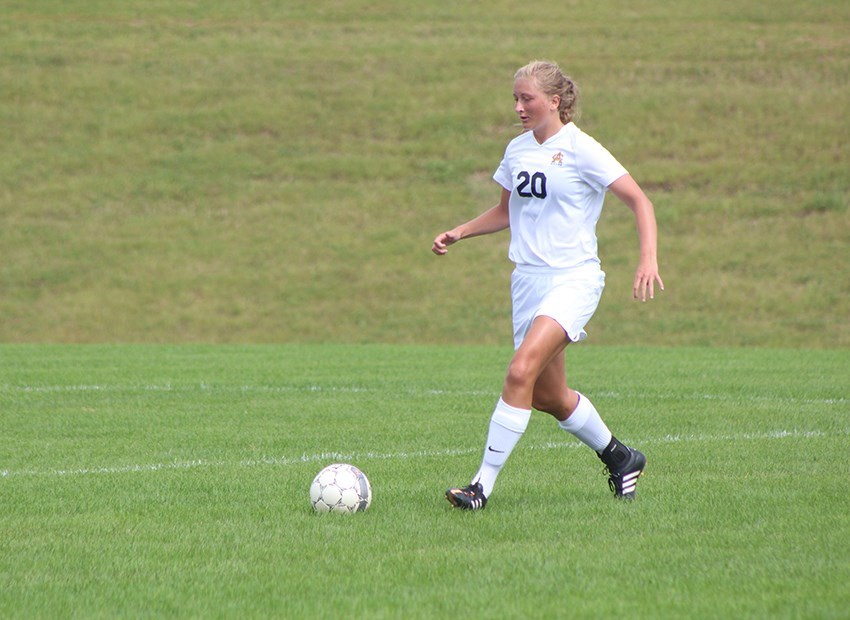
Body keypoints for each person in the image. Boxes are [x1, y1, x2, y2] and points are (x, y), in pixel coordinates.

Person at [432, 60, 664, 510]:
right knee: (548, 396)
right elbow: (507, 211)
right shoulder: (517, 149)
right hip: (527, 282)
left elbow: (640, 200)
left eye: (528, 99)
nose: (519, 107)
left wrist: (648, 258)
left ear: (555, 101)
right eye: (515, 99)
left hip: (573, 279)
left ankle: (480, 487)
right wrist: (460, 231)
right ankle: (622, 457)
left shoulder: (581, 148)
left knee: (520, 371)